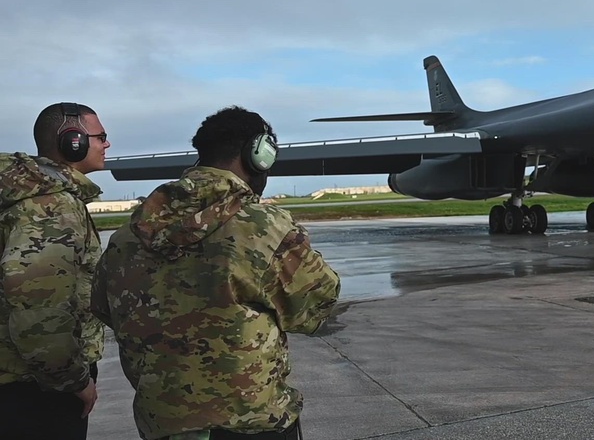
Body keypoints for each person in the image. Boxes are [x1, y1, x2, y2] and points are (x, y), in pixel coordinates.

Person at [93, 105, 341, 440]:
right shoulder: (265, 227)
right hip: (250, 424)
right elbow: (317, 304)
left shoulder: (128, 235)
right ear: (258, 157)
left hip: (163, 424)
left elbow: (103, 308)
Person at [0, 102, 111, 440]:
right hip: (35, 386)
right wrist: (72, 381)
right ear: (72, 141)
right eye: (101, 136)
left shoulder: (28, 195)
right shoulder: (52, 205)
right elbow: (38, 306)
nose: (107, 143)